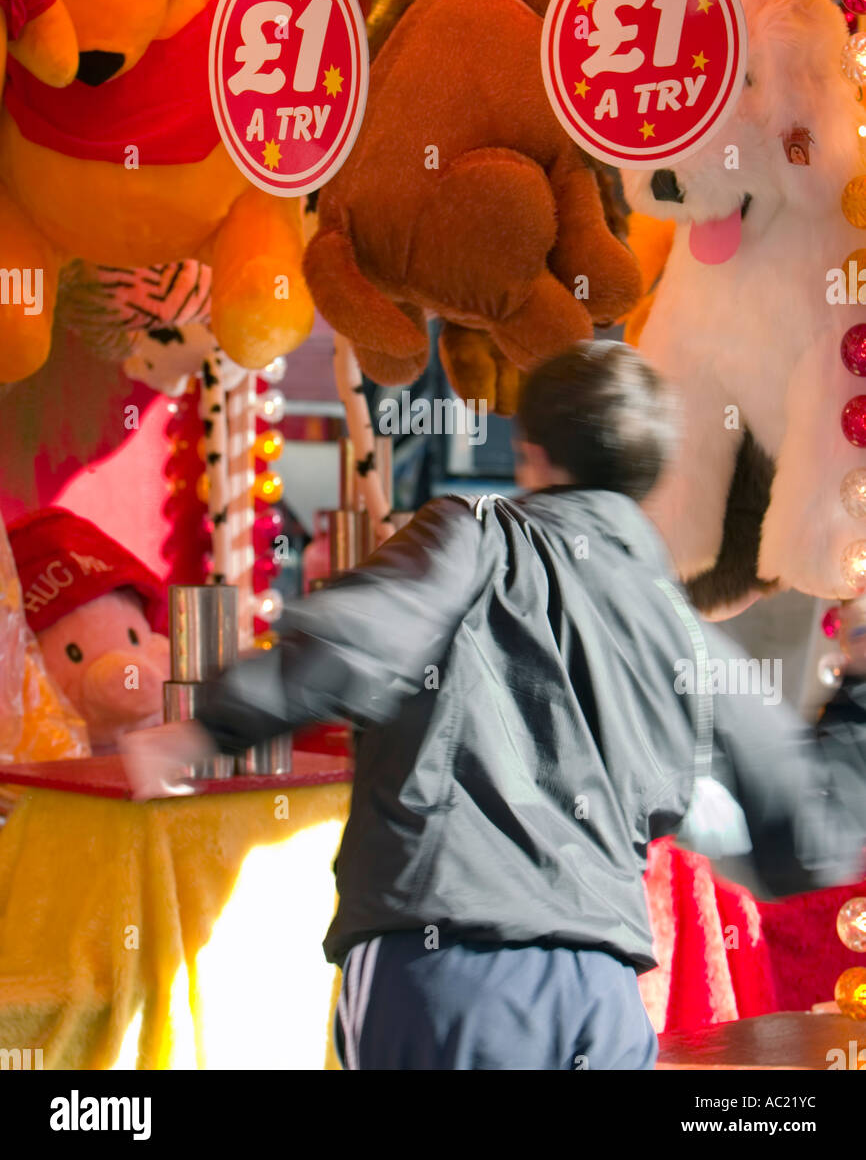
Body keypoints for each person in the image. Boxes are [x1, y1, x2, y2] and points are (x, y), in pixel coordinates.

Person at [121, 342, 866, 1071]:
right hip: (602, 996)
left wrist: (200, 730)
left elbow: (352, 643)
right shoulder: (685, 631)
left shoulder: (474, 536)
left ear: (531, 453)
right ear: (651, 477)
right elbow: (809, 836)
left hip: (446, 973)